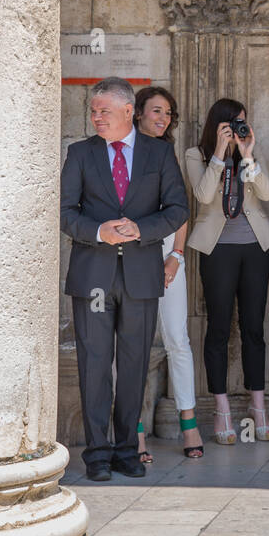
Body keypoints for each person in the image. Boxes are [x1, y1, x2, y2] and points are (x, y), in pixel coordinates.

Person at [60, 77, 189, 481]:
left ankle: (127, 450)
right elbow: (64, 212)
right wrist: (100, 232)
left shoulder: (159, 153)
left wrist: (141, 229)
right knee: (94, 365)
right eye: (93, 111)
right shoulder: (80, 153)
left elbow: (178, 208)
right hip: (92, 275)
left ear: (128, 112)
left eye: (105, 111)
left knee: (134, 364)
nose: (96, 117)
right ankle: (97, 454)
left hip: (141, 276)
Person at [186, 99, 269, 445]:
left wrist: (248, 155)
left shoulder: (250, 153)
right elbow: (204, 196)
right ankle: (221, 408)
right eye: (234, 123)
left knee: (253, 327)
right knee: (219, 328)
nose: (240, 128)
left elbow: (267, 193)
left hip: (255, 246)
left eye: (243, 122)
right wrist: (221, 154)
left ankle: (258, 406)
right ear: (218, 124)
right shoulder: (197, 156)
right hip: (218, 249)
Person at [133, 87, 203, 461]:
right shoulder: (121, 151)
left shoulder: (166, 153)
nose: (163, 119)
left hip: (166, 254)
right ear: (138, 113)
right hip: (130, 254)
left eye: (168, 113)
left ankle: (188, 423)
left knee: (177, 337)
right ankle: (136, 431)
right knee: (134, 346)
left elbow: (180, 208)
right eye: (156, 111)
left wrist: (176, 255)